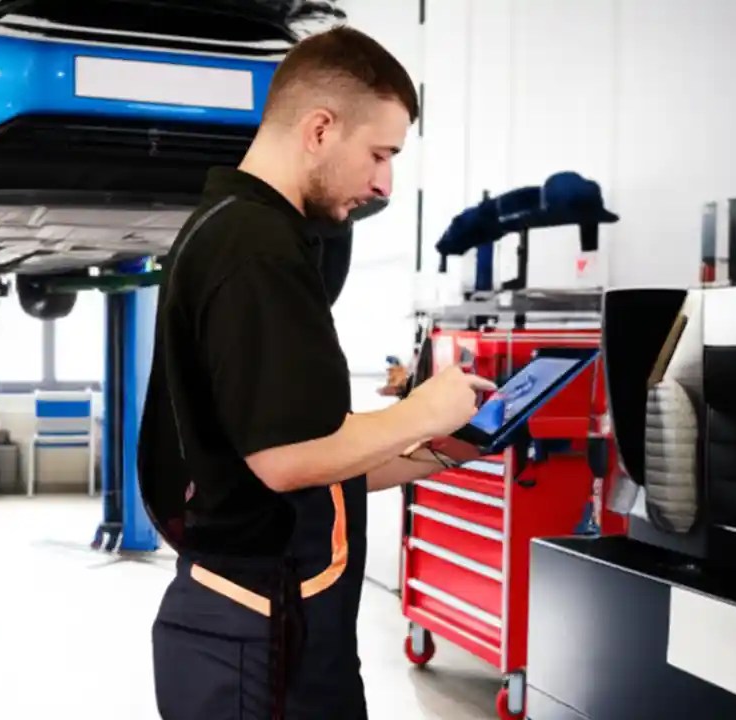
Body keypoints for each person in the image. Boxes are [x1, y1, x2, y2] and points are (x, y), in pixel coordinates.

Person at [137, 25, 497, 720]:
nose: (385, 181)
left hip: (275, 626)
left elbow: (303, 450)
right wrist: (426, 410)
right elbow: (285, 460)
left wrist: (442, 453)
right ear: (321, 128)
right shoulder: (254, 249)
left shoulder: (246, 230)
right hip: (259, 631)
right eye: (380, 153)